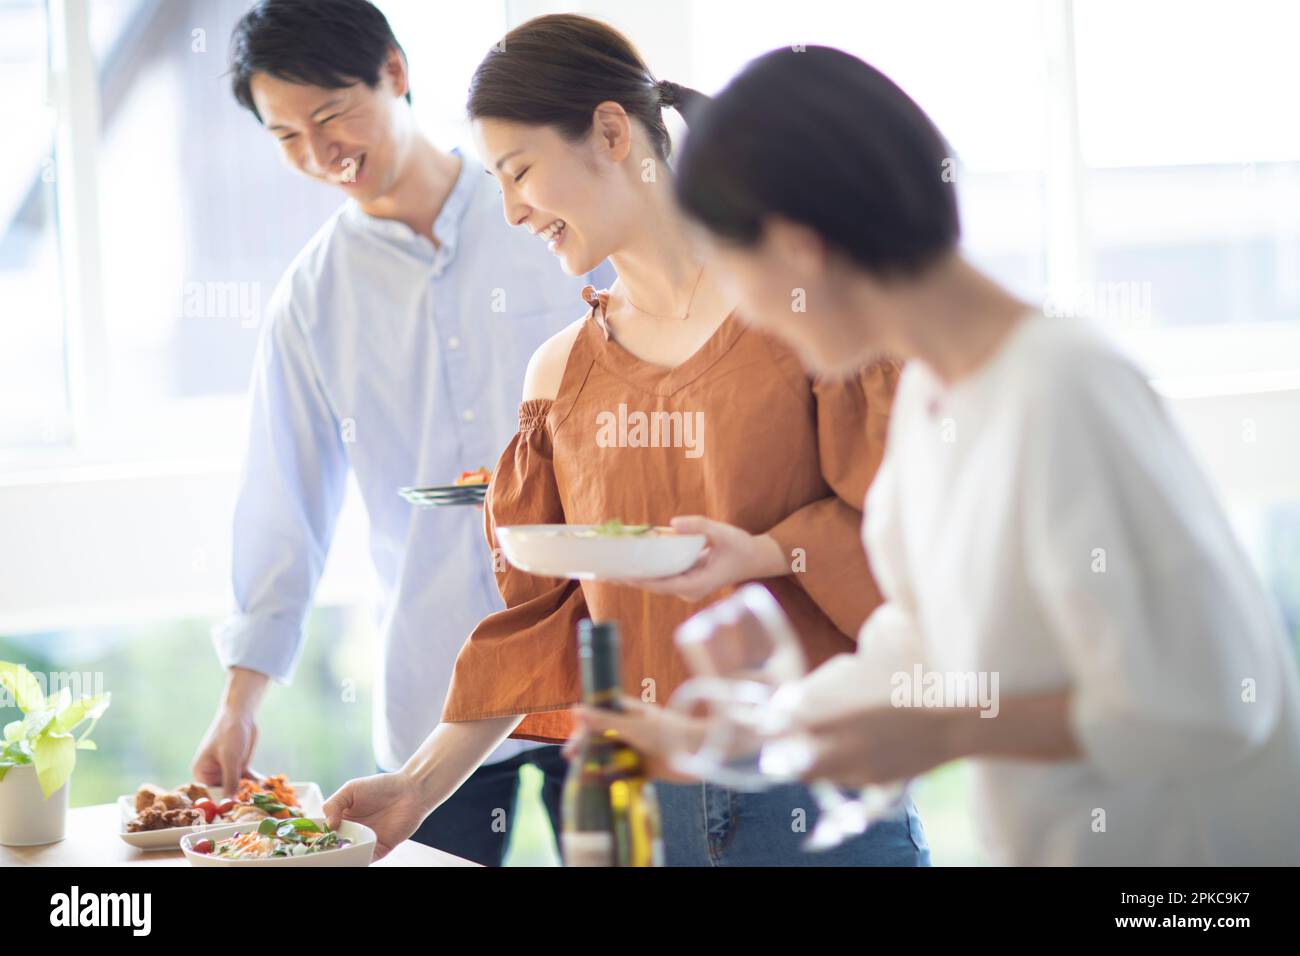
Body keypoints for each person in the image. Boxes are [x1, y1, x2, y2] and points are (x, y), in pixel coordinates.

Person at [593, 43, 1300, 865]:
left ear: (798, 247)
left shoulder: (1063, 386)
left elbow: (1206, 703)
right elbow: (923, 645)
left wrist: (945, 731)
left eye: (732, 267)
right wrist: (728, 736)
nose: (742, 308)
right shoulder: (934, 403)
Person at [324, 14, 929, 867]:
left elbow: (899, 537)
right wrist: (416, 788)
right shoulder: (558, 375)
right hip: (642, 818)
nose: (511, 210)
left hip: (822, 799)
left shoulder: (803, 315)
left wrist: (761, 552)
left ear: (612, 132)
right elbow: (544, 623)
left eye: (522, 172)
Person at [191, 0, 613, 867]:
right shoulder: (311, 301)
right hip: (438, 698)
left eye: (328, 115)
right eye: (284, 137)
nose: (318, 154)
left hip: (597, 662)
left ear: (394, 71)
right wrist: (240, 704)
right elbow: (283, 508)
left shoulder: (548, 214)